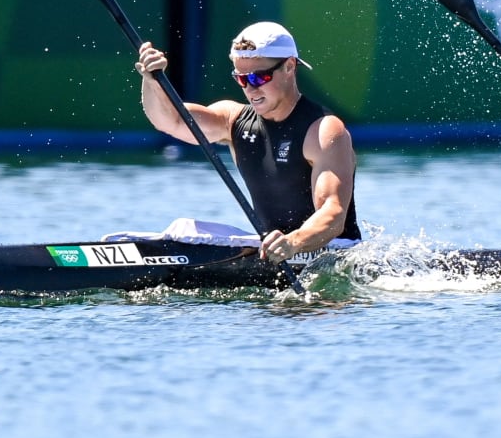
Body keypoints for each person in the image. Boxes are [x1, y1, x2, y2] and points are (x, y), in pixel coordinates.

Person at [135, 21, 361, 264]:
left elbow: (333, 214)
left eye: (259, 77)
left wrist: (293, 242)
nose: (251, 88)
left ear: (289, 66)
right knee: (184, 228)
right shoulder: (233, 119)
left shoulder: (323, 129)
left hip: (333, 255)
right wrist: (151, 80)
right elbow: (171, 121)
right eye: (242, 79)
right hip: (274, 249)